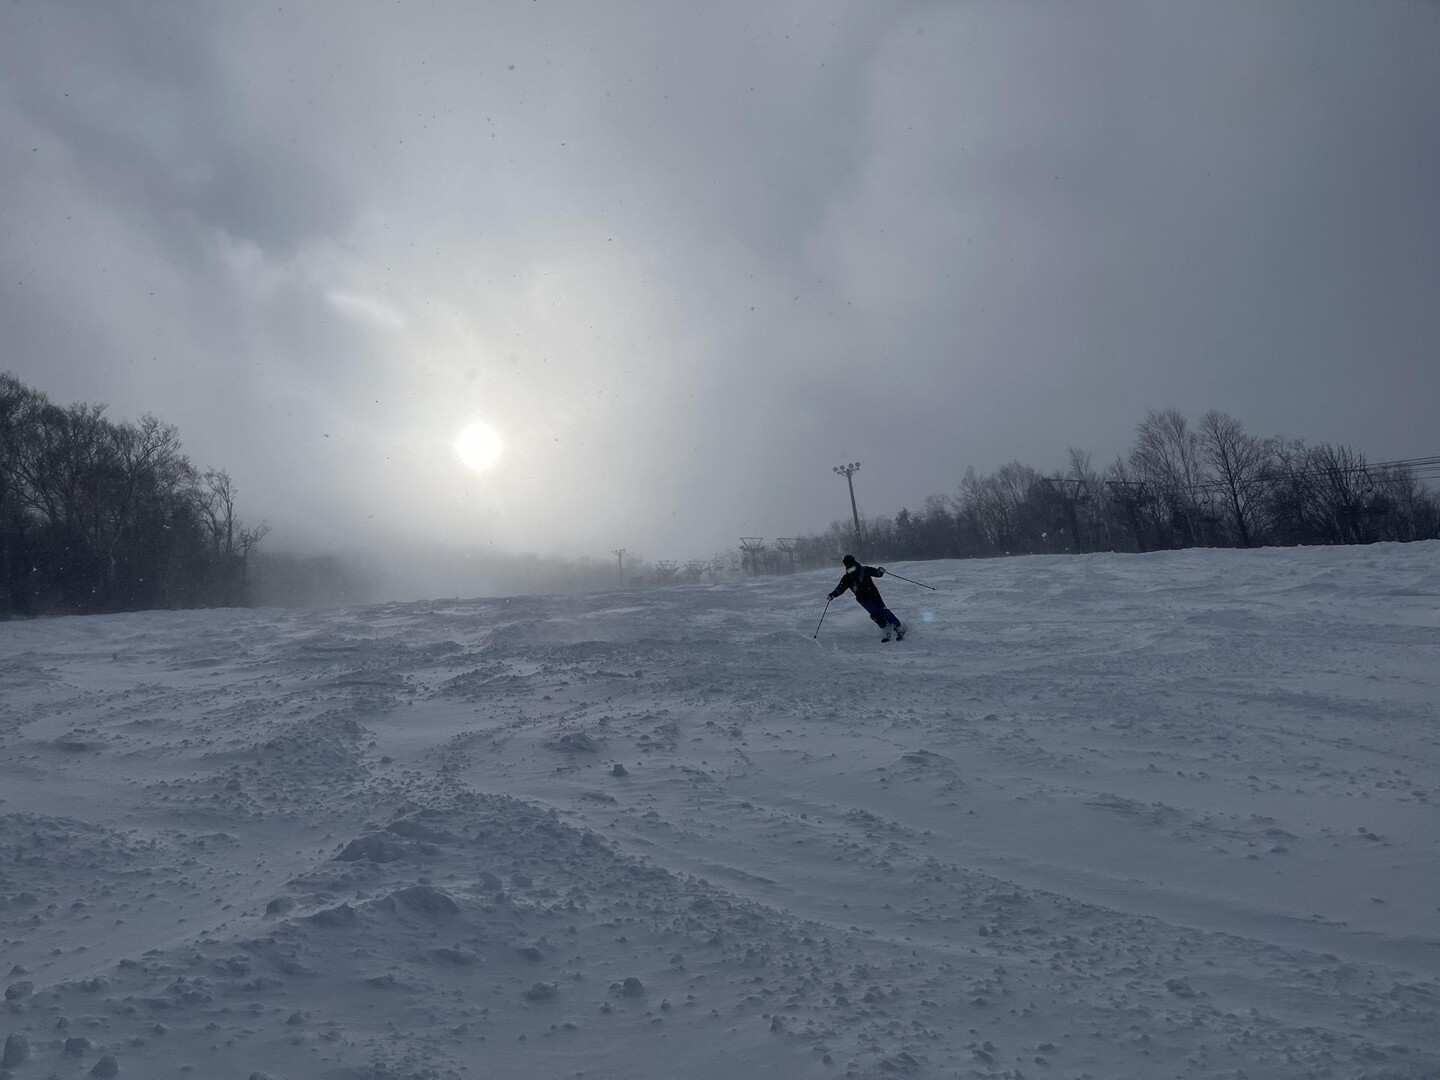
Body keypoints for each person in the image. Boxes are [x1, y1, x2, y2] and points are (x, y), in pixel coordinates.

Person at [828, 554, 906, 642]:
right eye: (847, 564)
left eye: (850, 563)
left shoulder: (864, 570)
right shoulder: (847, 578)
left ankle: (898, 627)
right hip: (863, 600)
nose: (849, 565)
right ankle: (886, 629)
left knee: (883, 610)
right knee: (875, 614)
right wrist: (833, 594)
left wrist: (880, 571)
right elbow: (840, 588)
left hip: (873, 595)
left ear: (854, 561)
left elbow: (877, 573)